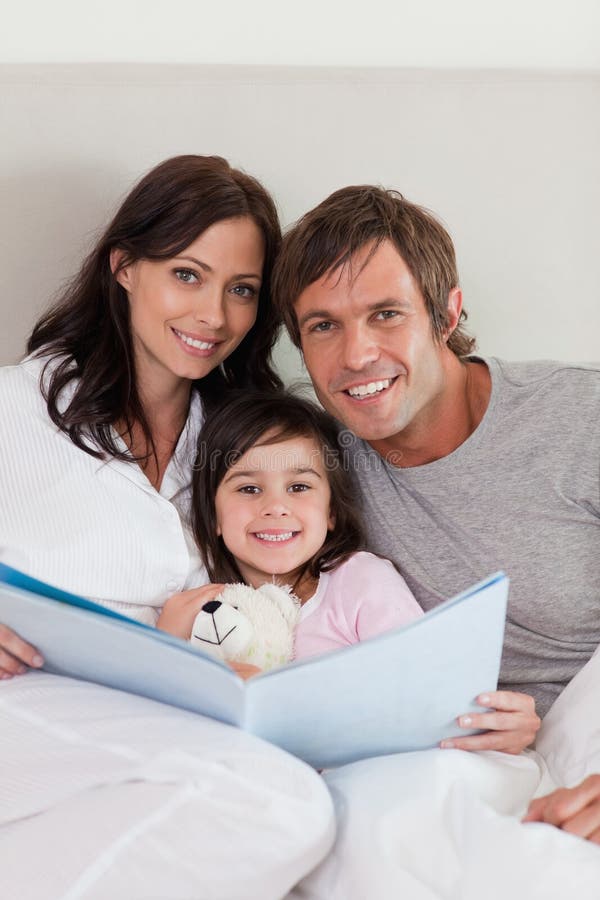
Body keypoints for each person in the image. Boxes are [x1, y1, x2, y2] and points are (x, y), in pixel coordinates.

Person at [0, 156, 333, 899]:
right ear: (123, 266)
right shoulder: (14, 411)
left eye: (241, 290)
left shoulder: (248, 444)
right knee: (283, 806)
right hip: (21, 708)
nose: (214, 316)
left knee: (286, 801)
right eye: (187, 274)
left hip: (163, 728)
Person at [271, 184, 600, 856]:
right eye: (323, 326)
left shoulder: (580, 419)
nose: (357, 356)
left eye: (386, 314)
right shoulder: (312, 466)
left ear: (446, 312)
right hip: (466, 758)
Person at [158, 390, 424, 664]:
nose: (275, 506)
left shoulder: (361, 581)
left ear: (330, 510)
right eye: (249, 488)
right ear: (214, 517)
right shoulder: (212, 618)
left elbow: (419, 673)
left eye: (299, 487)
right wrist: (167, 643)